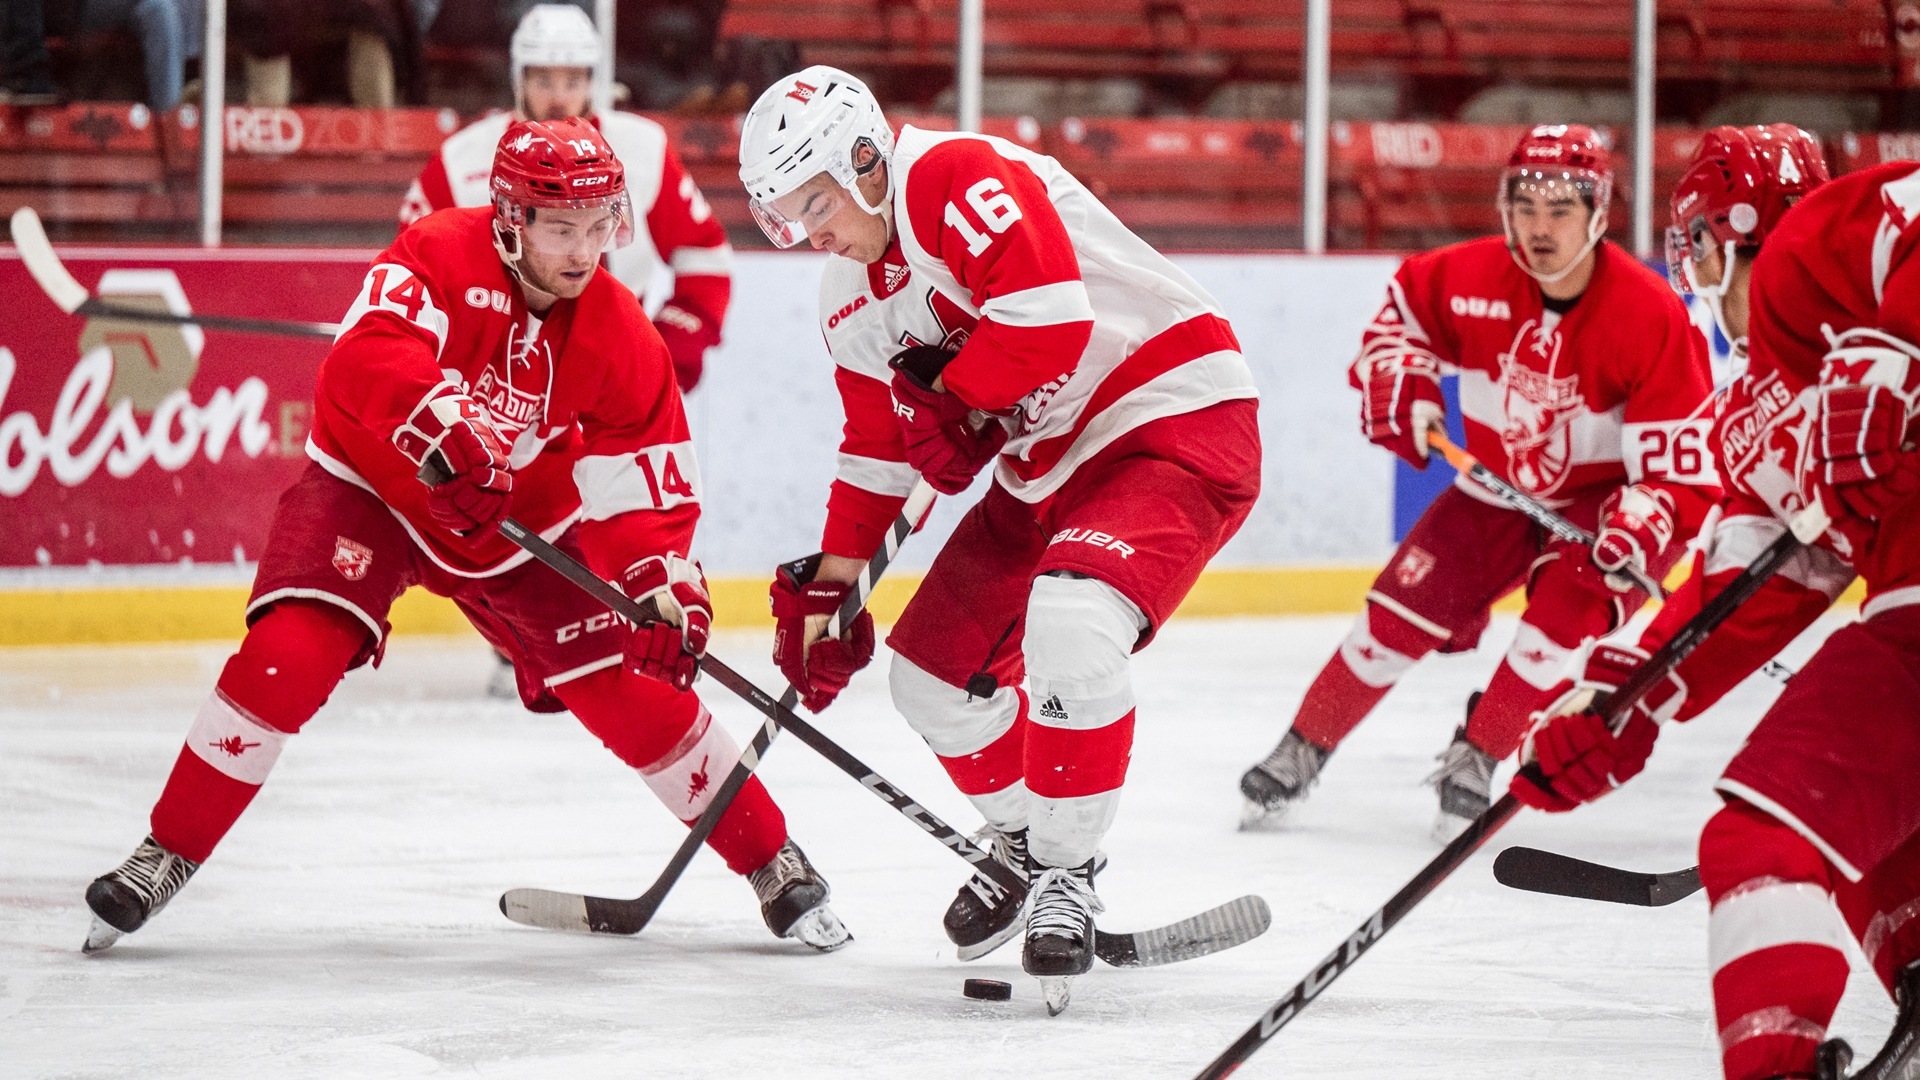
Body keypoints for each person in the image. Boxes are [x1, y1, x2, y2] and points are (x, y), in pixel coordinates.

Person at [81, 117, 850, 957]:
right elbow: (363, 360)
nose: (586, 250)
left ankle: (776, 862)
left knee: (641, 697)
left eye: (601, 227)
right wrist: (437, 423)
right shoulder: (438, 252)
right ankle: (166, 852)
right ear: (511, 218)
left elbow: (644, 477)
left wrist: (661, 579)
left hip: (520, 523)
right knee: (290, 654)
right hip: (373, 489)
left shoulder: (618, 329)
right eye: (563, 228)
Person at [737, 66, 1262, 1010]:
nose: (807, 231)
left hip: (1165, 416)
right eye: (783, 216)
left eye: (812, 202)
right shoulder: (847, 297)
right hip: (1045, 470)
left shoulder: (947, 175)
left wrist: (960, 400)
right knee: (929, 679)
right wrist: (831, 588)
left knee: (1072, 619)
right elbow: (875, 448)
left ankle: (1063, 874)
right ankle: (1031, 840)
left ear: (864, 161)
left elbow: (1049, 320)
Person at [1516, 124, 1920, 1080]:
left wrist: (1895, 345)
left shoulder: (1811, 249)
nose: (1693, 270)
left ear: (1739, 226)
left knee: (1763, 836)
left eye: (1695, 242)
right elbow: (1760, 573)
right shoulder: (1764, 405)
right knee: (1843, 824)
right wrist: (1622, 696)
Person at [1235, 124, 1721, 838]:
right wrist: (1401, 379)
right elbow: (1399, 326)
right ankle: (1304, 746)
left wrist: (1642, 520)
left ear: (1598, 213)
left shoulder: (1650, 313)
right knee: (1388, 623)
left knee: (1553, 635)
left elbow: (1680, 465)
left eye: (1559, 209)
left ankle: (1479, 752)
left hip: (1598, 507)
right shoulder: (1465, 277)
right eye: (1525, 207)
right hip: (1491, 488)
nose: (1539, 228)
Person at [400, 3, 730, 396]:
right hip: (496, 385)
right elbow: (413, 273)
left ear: (592, 81)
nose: (558, 97)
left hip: (610, 376)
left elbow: (705, 257)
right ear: (518, 79)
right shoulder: (461, 160)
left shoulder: (644, 149)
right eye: (543, 80)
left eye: (572, 81)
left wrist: (666, 354)